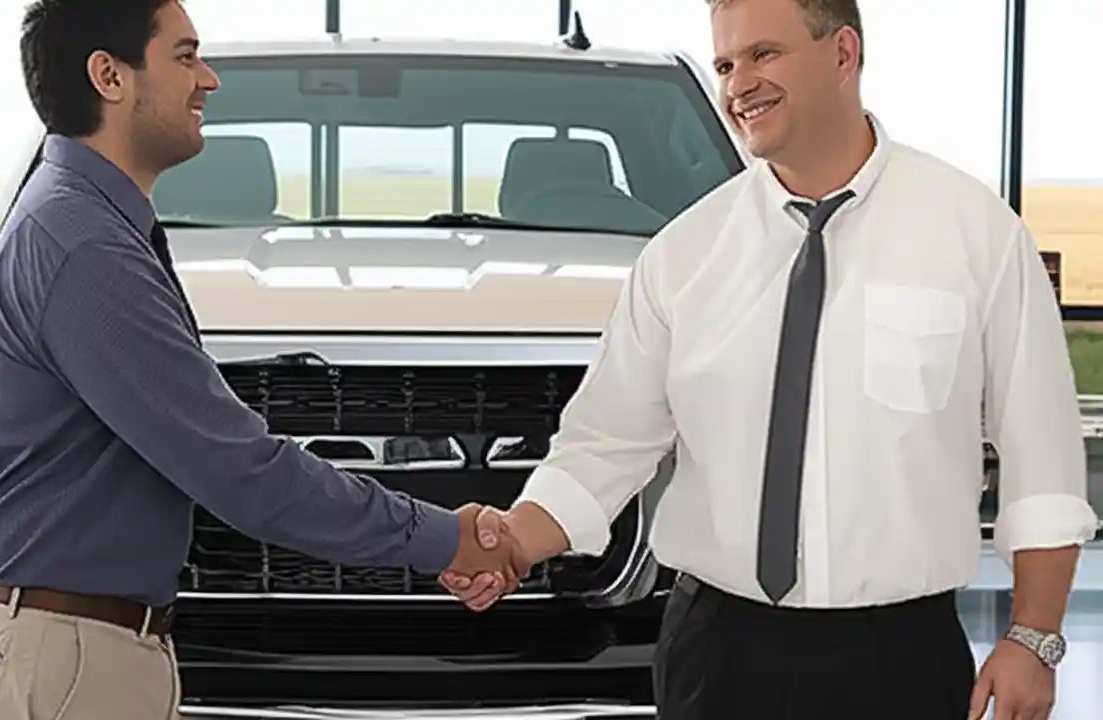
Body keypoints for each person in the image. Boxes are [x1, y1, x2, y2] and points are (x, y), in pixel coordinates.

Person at [441, 0, 1100, 718]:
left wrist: (1034, 637)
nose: (738, 83)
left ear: (844, 53)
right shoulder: (683, 256)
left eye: (764, 55)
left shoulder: (976, 235)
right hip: (717, 651)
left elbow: (1043, 454)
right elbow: (604, 446)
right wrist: (510, 543)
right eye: (725, 64)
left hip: (900, 657)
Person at [0, 1, 527, 718]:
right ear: (108, 76)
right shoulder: (84, 246)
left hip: (80, 652)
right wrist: (444, 538)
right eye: (184, 56)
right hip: (61, 664)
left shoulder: (86, 227)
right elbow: (237, 470)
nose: (207, 79)